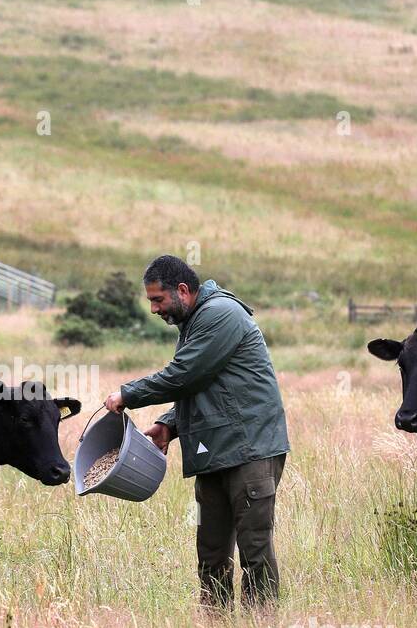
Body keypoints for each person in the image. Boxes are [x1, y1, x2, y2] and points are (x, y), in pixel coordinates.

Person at [104, 256, 290, 608]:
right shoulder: (194, 322)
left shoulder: (220, 314)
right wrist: (168, 425)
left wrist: (128, 394)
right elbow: (205, 386)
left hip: (251, 450)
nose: (154, 309)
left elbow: (185, 374)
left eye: (158, 300)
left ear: (184, 291)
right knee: (211, 551)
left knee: (254, 548)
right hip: (215, 452)